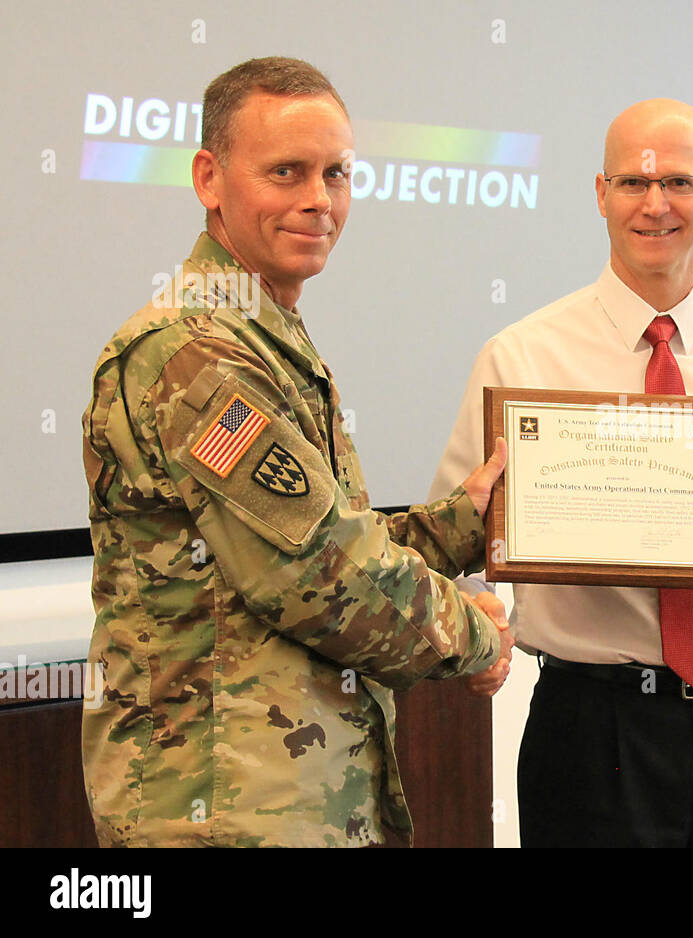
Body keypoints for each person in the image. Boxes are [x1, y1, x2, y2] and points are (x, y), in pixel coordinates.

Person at [81, 57, 509, 847]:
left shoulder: (261, 331)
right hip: (221, 811)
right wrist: (471, 634)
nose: (319, 199)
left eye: (336, 173)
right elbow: (318, 575)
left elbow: (324, 535)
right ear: (210, 178)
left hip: (291, 799)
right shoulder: (194, 352)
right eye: (287, 171)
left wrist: (466, 524)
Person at [430, 99, 693, 847]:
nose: (655, 204)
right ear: (601, 194)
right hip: (592, 731)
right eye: (632, 183)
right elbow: (455, 540)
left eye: (680, 184)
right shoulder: (521, 359)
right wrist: (480, 626)